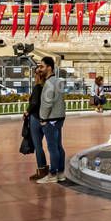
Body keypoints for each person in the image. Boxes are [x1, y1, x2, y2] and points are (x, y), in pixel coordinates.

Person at [37, 56, 66, 184]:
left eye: (42, 66)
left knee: (52, 147)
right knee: (59, 147)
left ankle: (53, 174)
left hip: (51, 119)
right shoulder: (58, 81)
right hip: (59, 117)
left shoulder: (49, 83)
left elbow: (48, 102)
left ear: (49, 67)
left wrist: (43, 118)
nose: (40, 69)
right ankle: (60, 172)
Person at [26, 65, 49, 181]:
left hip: (35, 118)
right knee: (42, 145)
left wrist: (27, 112)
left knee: (38, 146)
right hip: (45, 118)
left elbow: (34, 103)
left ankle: (41, 169)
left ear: (37, 76)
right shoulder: (46, 87)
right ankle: (44, 168)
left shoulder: (37, 88)